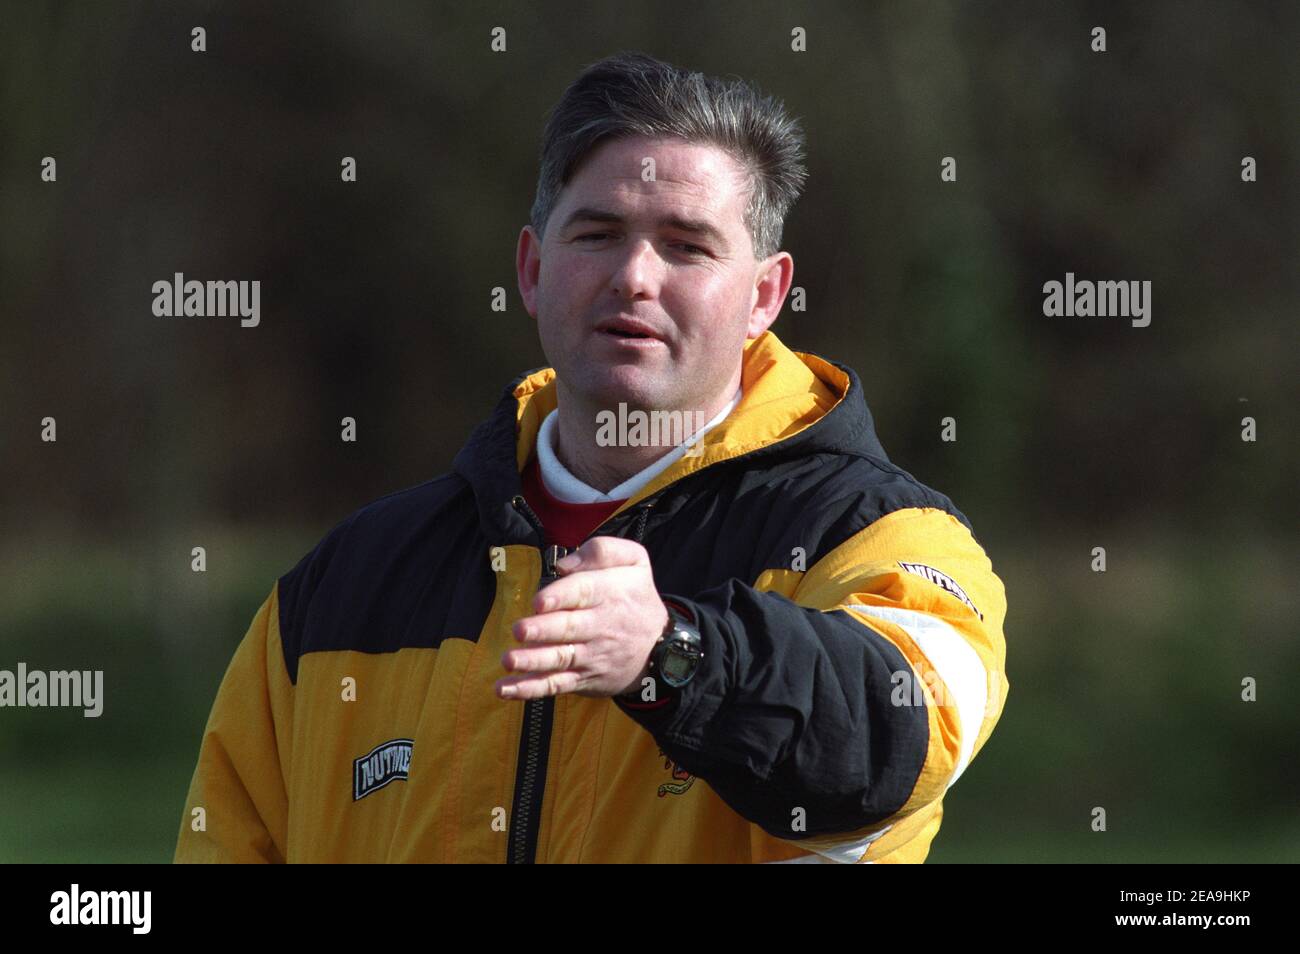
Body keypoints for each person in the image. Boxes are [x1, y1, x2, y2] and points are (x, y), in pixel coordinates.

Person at [174, 50, 1008, 864]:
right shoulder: (341, 586)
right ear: (533, 271)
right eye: (599, 233)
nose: (635, 276)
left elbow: (902, 734)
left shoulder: (878, 537)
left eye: (687, 245)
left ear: (764, 295)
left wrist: (674, 655)